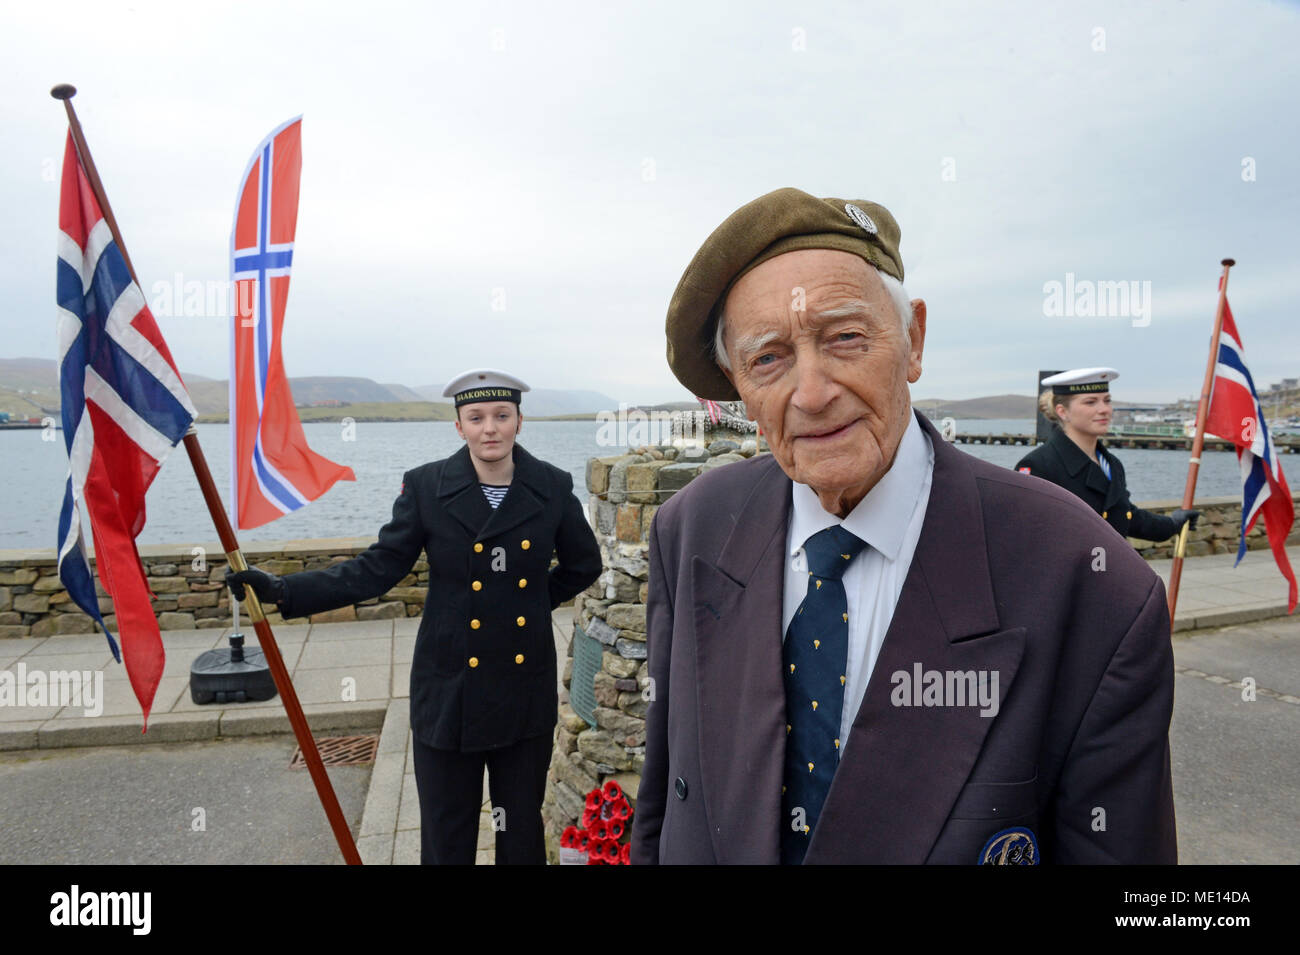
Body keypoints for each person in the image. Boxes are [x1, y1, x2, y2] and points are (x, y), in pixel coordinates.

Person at [630, 188, 1177, 864]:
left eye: (845, 338)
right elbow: (663, 799)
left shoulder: (1088, 581)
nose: (811, 392)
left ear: (913, 340)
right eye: (768, 357)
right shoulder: (694, 527)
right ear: (736, 383)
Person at [227, 369, 602, 864]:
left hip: (522, 688)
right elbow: (376, 569)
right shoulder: (426, 487)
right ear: (459, 427)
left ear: (518, 421)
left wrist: (530, 601)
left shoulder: (551, 486)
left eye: (500, 416)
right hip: (448, 688)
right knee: (447, 837)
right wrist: (282, 589)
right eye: (476, 418)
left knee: (520, 835)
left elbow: (584, 564)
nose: (489, 428)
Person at [1014, 368, 1200, 543]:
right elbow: (1025, 536)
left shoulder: (1110, 464)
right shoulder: (1039, 466)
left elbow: (1126, 516)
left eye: (1107, 400)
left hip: (1109, 574)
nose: (1104, 409)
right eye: (1091, 402)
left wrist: (1173, 524)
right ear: (1063, 412)